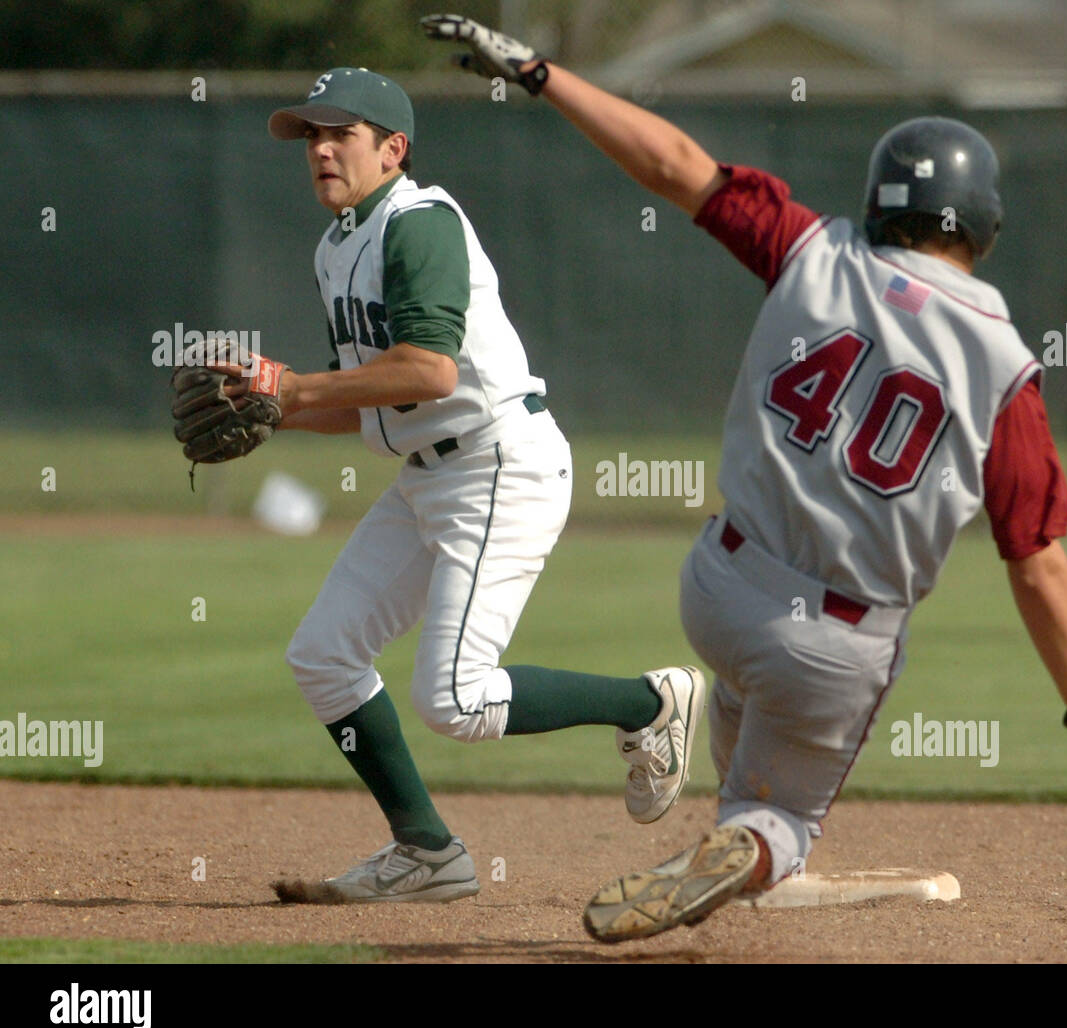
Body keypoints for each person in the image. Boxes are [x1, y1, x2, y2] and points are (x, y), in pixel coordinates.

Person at [421, 15, 1067, 942]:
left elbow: (671, 162)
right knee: (782, 814)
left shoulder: (810, 249)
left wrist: (543, 75)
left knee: (746, 691)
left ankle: (741, 837)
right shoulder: (1003, 363)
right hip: (834, 642)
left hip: (719, 584)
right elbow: (1037, 561)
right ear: (983, 223)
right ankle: (757, 844)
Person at [217, 67, 703, 903]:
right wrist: (277, 414)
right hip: (426, 475)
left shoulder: (418, 224)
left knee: (454, 698)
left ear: (392, 148)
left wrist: (293, 387)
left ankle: (651, 702)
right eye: (310, 135)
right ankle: (427, 852)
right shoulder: (338, 245)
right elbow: (376, 391)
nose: (320, 148)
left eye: (340, 133)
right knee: (323, 657)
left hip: (496, 464)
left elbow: (432, 371)